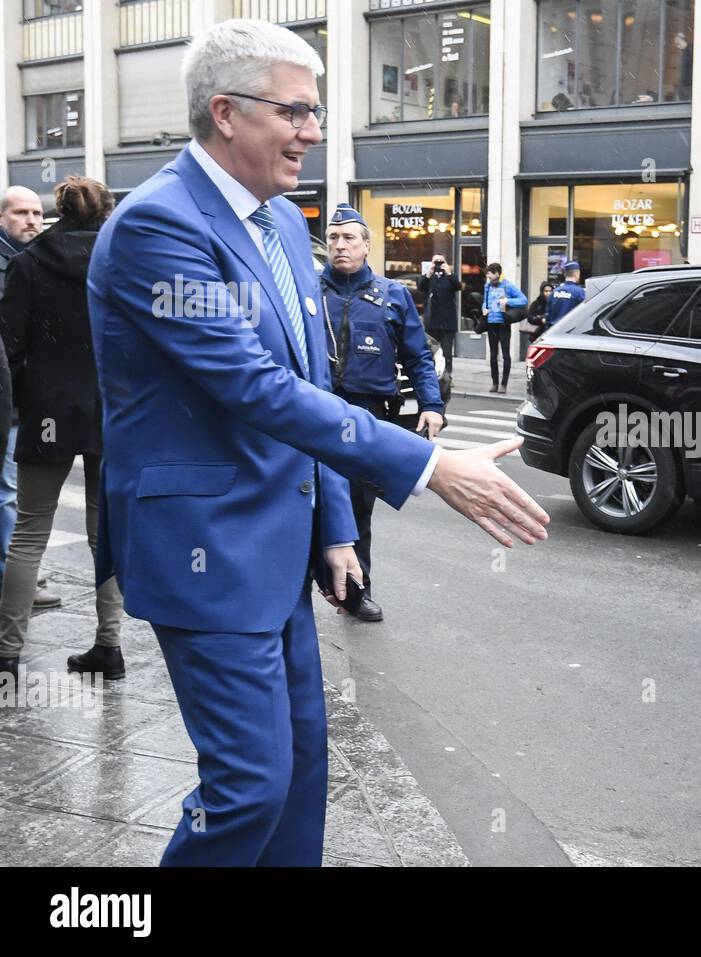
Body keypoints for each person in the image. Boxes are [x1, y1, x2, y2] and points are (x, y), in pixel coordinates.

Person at [87, 20, 548, 866]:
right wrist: (430, 462)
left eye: (316, 111)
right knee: (247, 791)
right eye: (295, 111)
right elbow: (254, 389)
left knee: (300, 780)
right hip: (208, 554)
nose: (314, 130)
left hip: (283, 548)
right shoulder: (159, 228)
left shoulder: (282, 228)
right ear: (225, 113)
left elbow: (313, 385)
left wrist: (334, 524)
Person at [0, 176, 125, 680]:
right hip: (110, 409)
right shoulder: (119, 262)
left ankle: (7, 651)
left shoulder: (29, 263)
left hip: (47, 409)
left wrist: (33, 395)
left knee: (28, 533)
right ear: (103, 213)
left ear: (59, 212)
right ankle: (108, 647)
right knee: (105, 536)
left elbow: (10, 345)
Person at [319, 203, 446, 623]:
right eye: (334, 238)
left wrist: (430, 405)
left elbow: (418, 356)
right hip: (313, 412)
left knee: (357, 510)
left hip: (367, 416)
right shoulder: (308, 289)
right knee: (298, 503)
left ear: (367, 245)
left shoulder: (394, 294)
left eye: (349, 237)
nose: (340, 245)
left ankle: (356, 592)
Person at [0, 186, 60, 611]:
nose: (32, 220)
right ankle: (12, 581)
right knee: (7, 491)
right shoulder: (11, 265)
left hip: (24, 396)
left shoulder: (36, 260)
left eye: (38, 213)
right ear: (3, 218)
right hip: (8, 399)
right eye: (21, 212)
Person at [481, 262, 526, 394]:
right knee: (493, 355)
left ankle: (504, 384)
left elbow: (523, 300)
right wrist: (484, 308)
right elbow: (485, 301)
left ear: (497, 274)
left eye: (490, 275)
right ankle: (494, 383)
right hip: (491, 323)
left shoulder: (508, 285)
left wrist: (508, 301)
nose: (489, 278)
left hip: (503, 324)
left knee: (506, 354)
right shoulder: (487, 286)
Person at [420, 252, 460, 374]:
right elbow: (421, 287)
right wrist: (429, 272)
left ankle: (447, 375)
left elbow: (457, 286)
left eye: (440, 262)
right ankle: (432, 374)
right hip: (432, 321)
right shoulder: (430, 277)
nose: (438, 264)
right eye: (435, 262)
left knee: (447, 352)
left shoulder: (449, 277)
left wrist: (449, 272)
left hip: (447, 321)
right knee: (432, 350)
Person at [546, 260, 586, 329]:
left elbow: (548, 316)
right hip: (569, 333)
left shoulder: (554, 292)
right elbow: (584, 314)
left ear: (565, 274)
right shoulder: (580, 292)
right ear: (577, 273)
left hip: (553, 331)